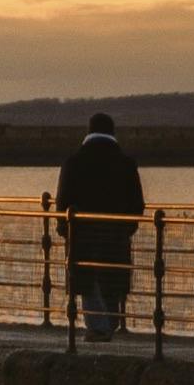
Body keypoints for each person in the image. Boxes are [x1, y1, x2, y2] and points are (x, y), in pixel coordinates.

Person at [55, 106, 146, 338]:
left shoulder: (74, 162)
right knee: (112, 277)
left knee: (87, 280)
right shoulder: (126, 163)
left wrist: (65, 229)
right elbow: (137, 203)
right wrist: (127, 228)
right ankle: (110, 323)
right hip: (116, 234)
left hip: (83, 233)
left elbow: (62, 200)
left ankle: (98, 327)